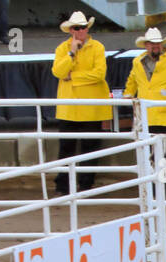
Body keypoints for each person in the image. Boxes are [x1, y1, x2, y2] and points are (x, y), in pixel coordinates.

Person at [51, 12, 111, 196]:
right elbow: (58, 72)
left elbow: (99, 74)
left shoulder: (98, 47)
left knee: (90, 147)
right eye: (77, 28)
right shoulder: (63, 48)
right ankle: (63, 185)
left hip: (91, 106)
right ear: (71, 30)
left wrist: (73, 77)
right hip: (69, 106)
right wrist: (72, 53)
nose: (80, 31)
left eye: (83, 27)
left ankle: (86, 185)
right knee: (66, 148)